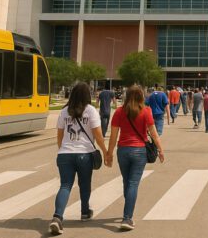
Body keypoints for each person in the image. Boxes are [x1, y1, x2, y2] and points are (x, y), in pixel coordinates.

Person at [49, 82, 108, 235]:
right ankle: (84, 211)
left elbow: (60, 135)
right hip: (84, 154)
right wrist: (106, 152)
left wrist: (62, 150)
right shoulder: (91, 111)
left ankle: (57, 217)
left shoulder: (64, 111)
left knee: (65, 185)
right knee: (85, 184)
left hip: (65, 154)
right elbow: (98, 135)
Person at [106, 85, 165, 231]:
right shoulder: (146, 111)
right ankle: (127, 218)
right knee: (133, 183)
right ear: (141, 96)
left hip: (123, 150)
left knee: (127, 182)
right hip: (139, 151)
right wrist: (160, 150)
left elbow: (113, 135)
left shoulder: (119, 112)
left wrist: (109, 153)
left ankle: (128, 210)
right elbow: (154, 133)